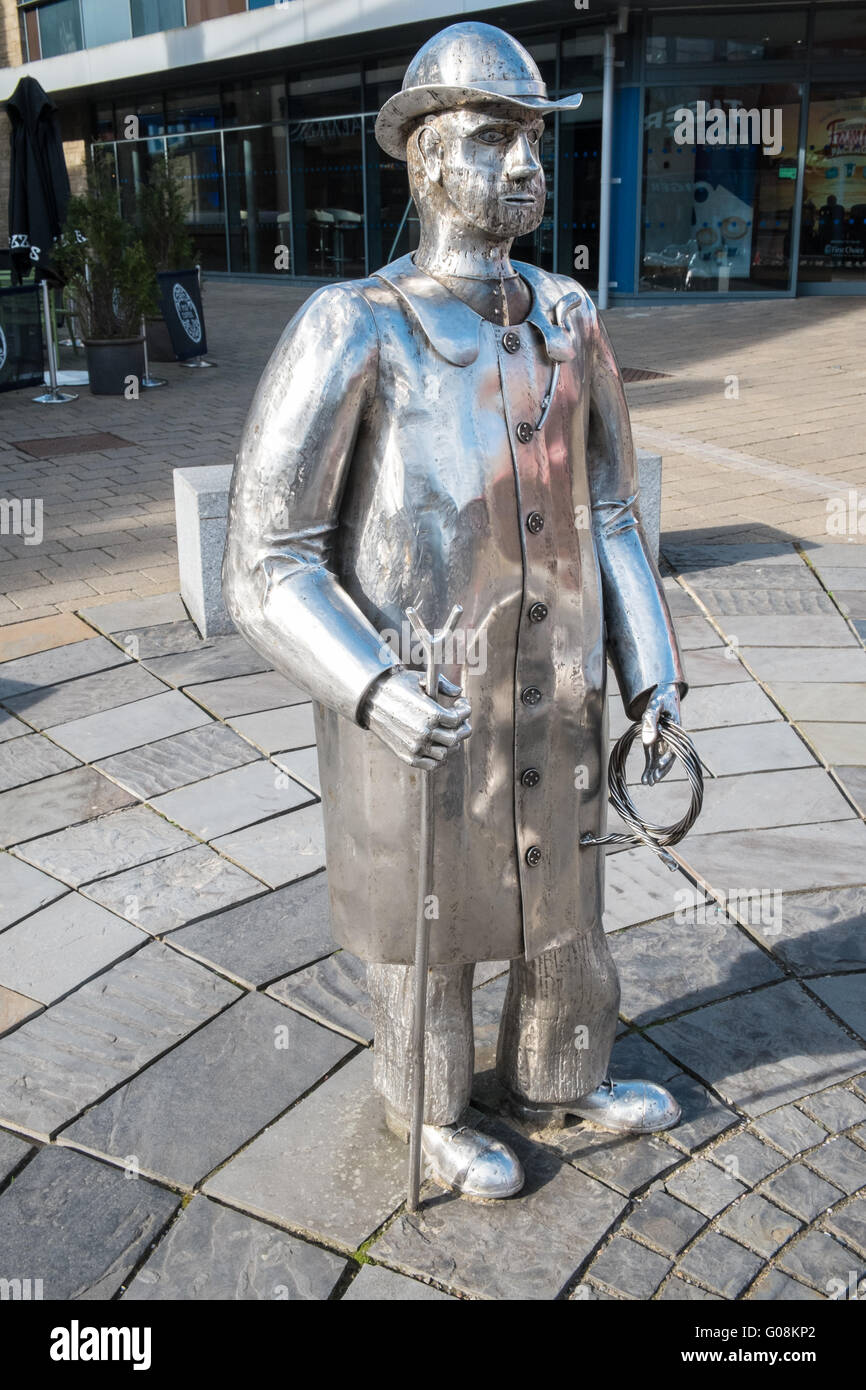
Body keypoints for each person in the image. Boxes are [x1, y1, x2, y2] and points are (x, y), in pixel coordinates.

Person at [224, 21, 688, 1202]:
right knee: (426, 943)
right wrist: (370, 688)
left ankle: (556, 1078)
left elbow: (617, 510)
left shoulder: (570, 317)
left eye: (532, 137)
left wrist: (652, 680)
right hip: (415, 699)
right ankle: (424, 1115)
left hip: (561, 699)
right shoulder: (354, 326)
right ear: (426, 158)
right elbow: (267, 559)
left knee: (566, 928)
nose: (524, 163)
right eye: (491, 139)